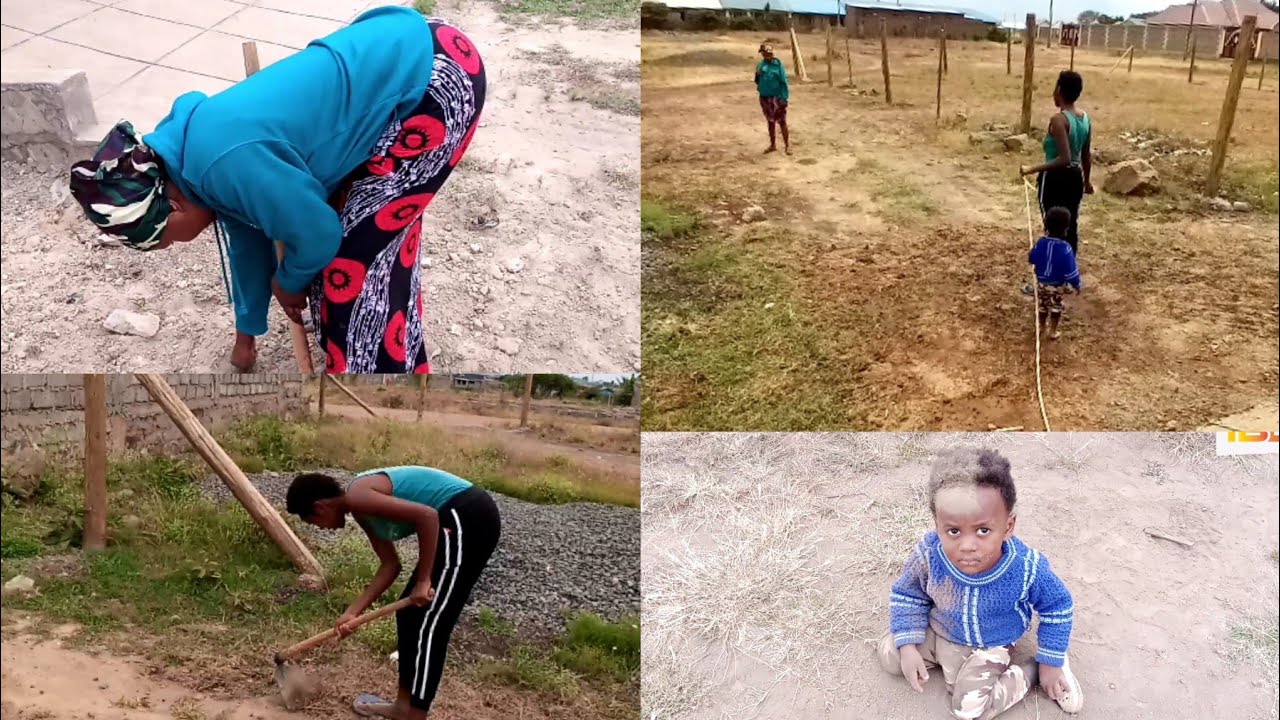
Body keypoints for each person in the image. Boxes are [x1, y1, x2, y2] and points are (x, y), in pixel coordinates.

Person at [68, 6, 486, 374]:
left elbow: (319, 233)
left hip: (432, 81)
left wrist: (291, 280)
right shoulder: (190, 161)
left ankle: (374, 369)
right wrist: (248, 331)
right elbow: (249, 243)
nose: (174, 246)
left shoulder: (226, 164)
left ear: (173, 209)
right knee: (363, 235)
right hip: (404, 45)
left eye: (164, 242)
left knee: (349, 264)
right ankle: (380, 343)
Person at [877, 448, 1084, 719]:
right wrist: (907, 646)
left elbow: (1058, 606)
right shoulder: (929, 554)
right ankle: (943, 662)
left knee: (969, 709)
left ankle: (1029, 671)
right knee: (891, 654)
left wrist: (1050, 662)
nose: (967, 546)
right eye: (953, 531)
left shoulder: (1026, 567)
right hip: (940, 633)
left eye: (983, 530)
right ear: (937, 525)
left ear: (1008, 526)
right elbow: (908, 594)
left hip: (991, 645)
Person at [286, 466, 501, 719]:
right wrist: (352, 612)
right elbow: (390, 565)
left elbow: (428, 517)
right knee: (409, 615)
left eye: (314, 523)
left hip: (467, 515)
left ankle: (414, 715)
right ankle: (402, 706)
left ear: (321, 507)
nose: (322, 528)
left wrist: (424, 581)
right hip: (454, 517)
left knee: (430, 624)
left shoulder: (358, 496)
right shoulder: (361, 510)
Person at [1019, 70, 1092, 258]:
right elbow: (1085, 154)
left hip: (1055, 179)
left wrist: (1030, 169)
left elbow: (1064, 158)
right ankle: (1068, 270)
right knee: (1070, 224)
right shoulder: (1085, 118)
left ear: (1059, 90)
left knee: (1052, 225)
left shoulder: (1058, 120)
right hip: (1076, 178)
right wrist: (1087, 182)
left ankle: (1051, 274)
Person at [1029, 207, 1083, 341]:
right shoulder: (1065, 248)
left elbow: (1032, 258)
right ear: (1066, 228)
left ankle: (1041, 327)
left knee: (1042, 306)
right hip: (1057, 286)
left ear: (1046, 224)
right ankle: (1052, 331)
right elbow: (1071, 272)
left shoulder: (1041, 243)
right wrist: (1076, 284)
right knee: (1056, 307)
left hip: (1041, 284)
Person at [754, 43, 791, 155]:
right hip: (765, 98)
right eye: (764, 54)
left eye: (768, 54)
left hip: (777, 98)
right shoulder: (760, 65)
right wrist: (757, 75)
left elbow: (784, 82)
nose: (766, 56)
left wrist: (784, 97)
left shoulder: (778, 66)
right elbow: (757, 81)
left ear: (771, 54)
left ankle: (787, 146)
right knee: (770, 121)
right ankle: (773, 145)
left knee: (782, 122)